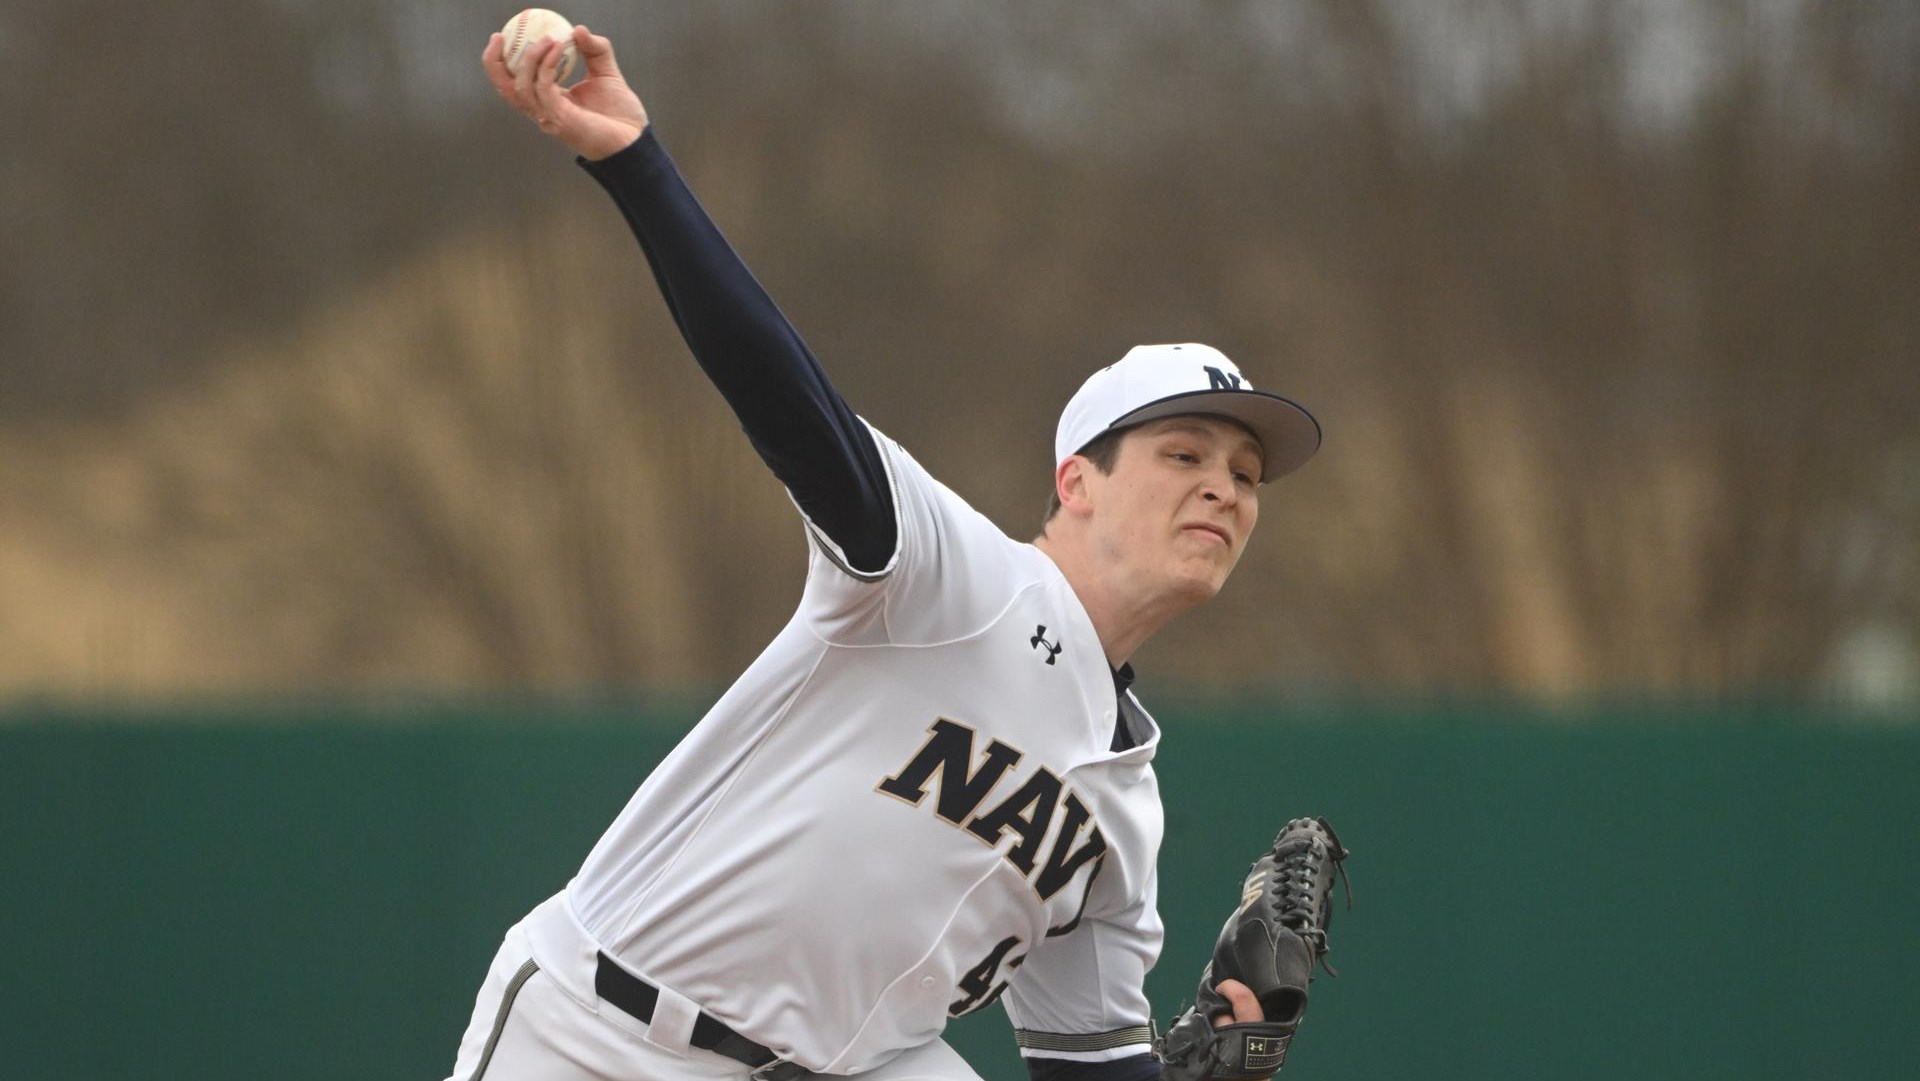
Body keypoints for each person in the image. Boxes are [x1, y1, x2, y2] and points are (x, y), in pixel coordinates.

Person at [454, 24, 1322, 1081]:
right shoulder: (954, 578)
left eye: (1244, 473)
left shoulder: (1121, 818)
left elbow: (1091, 1068)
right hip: (608, 1033)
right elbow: (786, 395)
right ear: (1075, 481)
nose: (1222, 486)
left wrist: (1211, 1054)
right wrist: (636, 166)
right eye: (1183, 450)